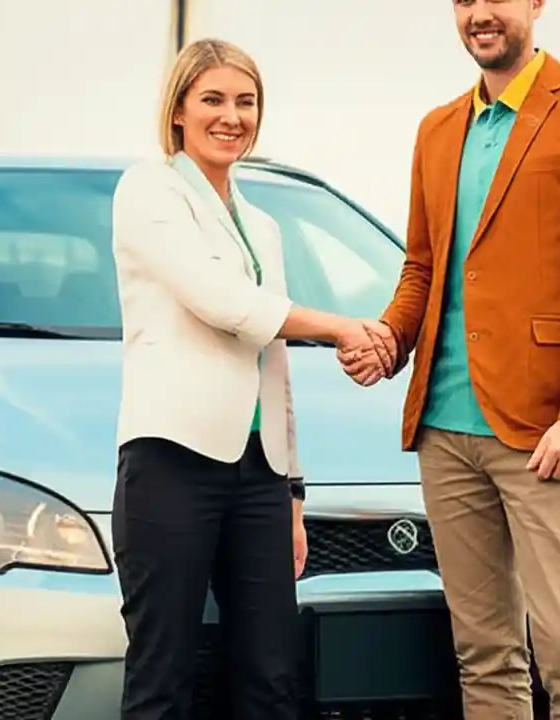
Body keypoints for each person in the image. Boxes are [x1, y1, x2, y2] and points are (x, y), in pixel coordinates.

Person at [340, 1, 560, 717]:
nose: (479, 13)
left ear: (536, 4)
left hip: (547, 431)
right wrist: (388, 340)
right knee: (483, 654)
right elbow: (423, 267)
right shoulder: (437, 127)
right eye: (463, 1)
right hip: (444, 428)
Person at [108, 38, 393, 720]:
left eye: (246, 102)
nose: (231, 116)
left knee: (271, 678)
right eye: (212, 99)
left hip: (260, 476)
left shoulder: (262, 225)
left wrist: (292, 489)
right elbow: (225, 304)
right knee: (163, 676)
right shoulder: (147, 189)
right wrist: (342, 327)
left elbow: (274, 358)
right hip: (172, 460)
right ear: (178, 111)